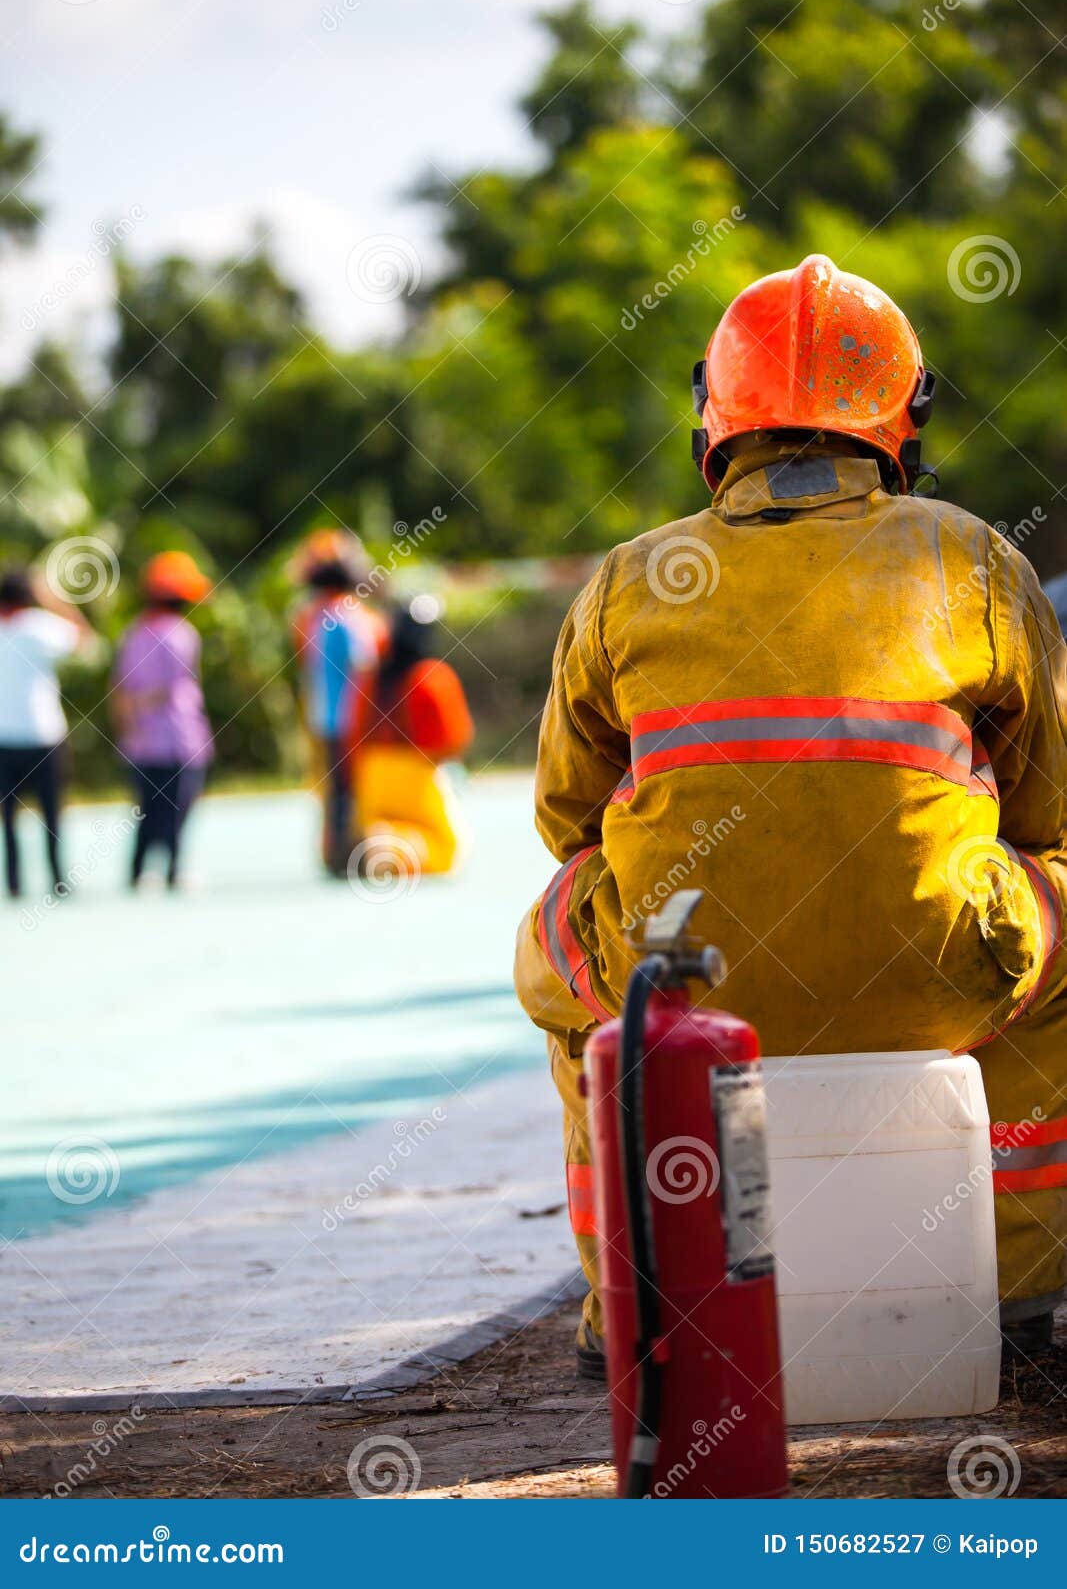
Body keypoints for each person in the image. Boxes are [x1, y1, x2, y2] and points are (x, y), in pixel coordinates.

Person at [514, 253, 1067, 1377]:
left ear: (710, 426)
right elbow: (1046, 801)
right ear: (901, 427)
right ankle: (1013, 1285)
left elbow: (564, 816)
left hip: (693, 987)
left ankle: (622, 1299)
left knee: (559, 944)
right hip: (944, 983)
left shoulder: (628, 580)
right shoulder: (976, 563)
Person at [111, 551, 213, 890]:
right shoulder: (181, 633)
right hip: (179, 738)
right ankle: (173, 869)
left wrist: (129, 725)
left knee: (146, 810)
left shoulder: (133, 633)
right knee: (178, 807)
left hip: (142, 741)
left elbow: (120, 689)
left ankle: (137, 871)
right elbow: (175, 688)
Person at [291, 530, 388, 877]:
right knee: (348, 791)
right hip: (349, 719)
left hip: (325, 716)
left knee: (335, 791)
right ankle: (347, 855)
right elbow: (365, 665)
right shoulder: (349, 617)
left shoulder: (315, 617)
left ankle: (336, 854)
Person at [356, 596, 473, 876]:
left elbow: (356, 727)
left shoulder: (371, 677)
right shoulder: (431, 676)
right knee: (448, 852)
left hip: (372, 769)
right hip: (415, 771)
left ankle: (383, 837)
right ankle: (394, 847)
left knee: (392, 820)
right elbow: (451, 739)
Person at [0, 568, 92, 898]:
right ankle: (58, 879)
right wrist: (54, 599)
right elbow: (85, 639)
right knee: (52, 814)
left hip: (4, 740)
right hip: (44, 737)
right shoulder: (40, 626)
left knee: (7, 819)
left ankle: (13, 883)